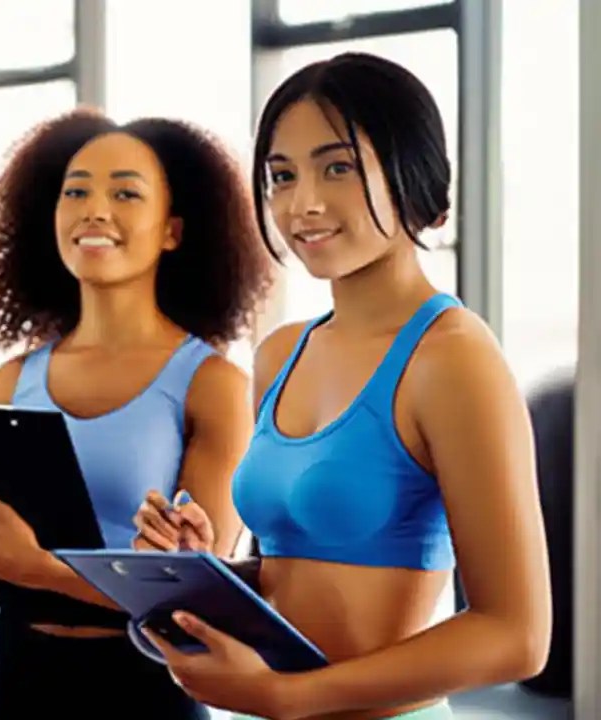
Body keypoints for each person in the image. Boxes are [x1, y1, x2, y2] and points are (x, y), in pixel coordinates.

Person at [134, 52, 552, 720]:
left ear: (410, 174)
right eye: (281, 175)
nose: (304, 203)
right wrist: (202, 572)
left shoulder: (453, 359)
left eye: (339, 167)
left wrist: (288, 696)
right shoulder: (280, 354)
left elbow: (518, 635)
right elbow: (290, 576)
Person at [0, 107, 274, 718]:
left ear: (172, 231)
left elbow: (200, 598)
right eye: (75, 191)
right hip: (21, 678)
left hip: (149, 687)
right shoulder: (12, 381)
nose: (94, 209)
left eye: (126, 193)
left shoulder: (212, 385)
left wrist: (39, 567)